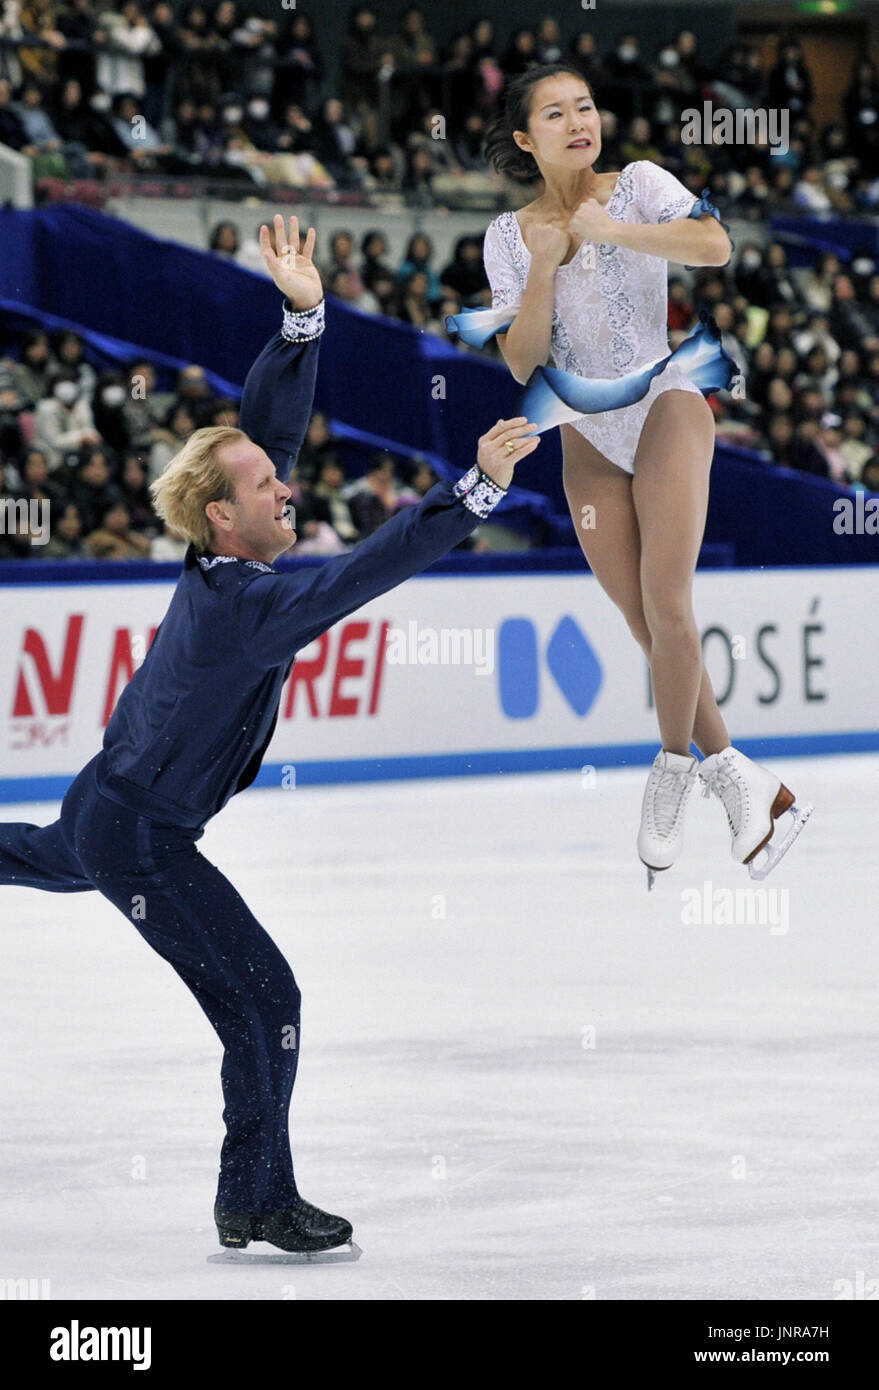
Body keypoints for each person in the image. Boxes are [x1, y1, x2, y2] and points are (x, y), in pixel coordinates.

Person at [0, 213, 538, 1257]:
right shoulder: (249, 606)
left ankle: (255, 1192)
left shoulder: (232, 560)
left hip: (108, 805)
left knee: (37, 855)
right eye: (266, 488)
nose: (288, 485)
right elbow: (358, 575)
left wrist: (301, 319)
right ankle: (253, 1197)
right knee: (265, 999)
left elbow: (268, 435)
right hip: (139, 832)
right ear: (223, 518)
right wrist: (470, 491)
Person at [473, 64, 810, 886]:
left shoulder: (640, 184)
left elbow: (714, 244)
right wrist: (549, 261)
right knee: (642, 624)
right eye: (555, 113)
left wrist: (613, 231)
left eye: (583, 105)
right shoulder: (507, 238)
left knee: (667, 601)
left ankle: (669, 770)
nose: (578, 120)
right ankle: (741, 780)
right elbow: (520, 358)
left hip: (666, 398)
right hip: (585, 433)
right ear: (526, 139)